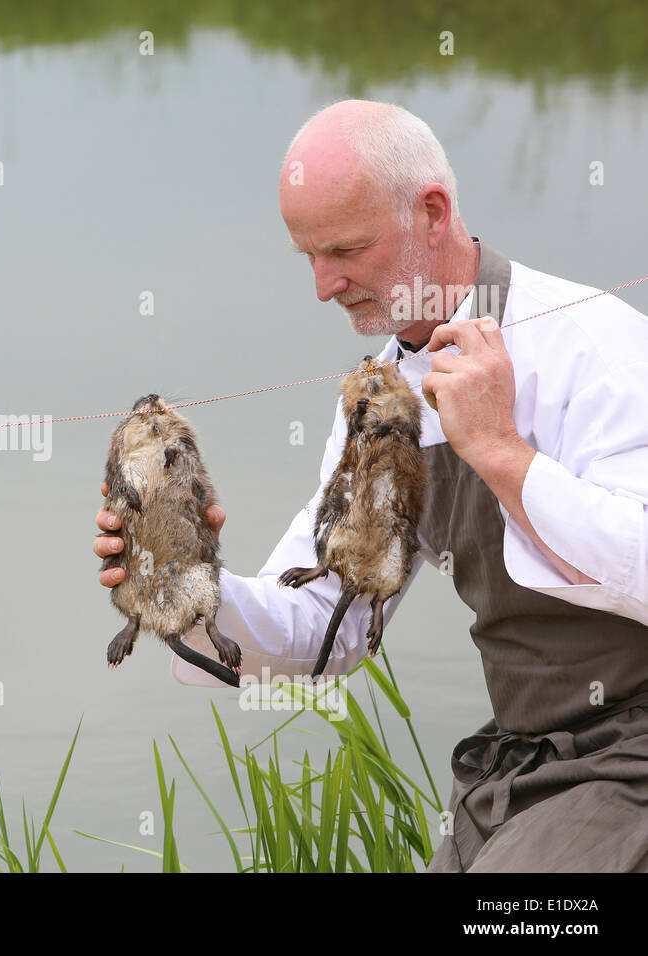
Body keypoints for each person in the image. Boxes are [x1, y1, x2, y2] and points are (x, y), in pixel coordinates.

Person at [94, 100, 648, 872]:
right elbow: (325, 624)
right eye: (308, 256)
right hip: (523, 760)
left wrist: (499, 451)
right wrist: (185, 588)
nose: (324, 285)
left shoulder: (600, 349)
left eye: (346, 249)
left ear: (432, 211)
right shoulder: (378, 400)